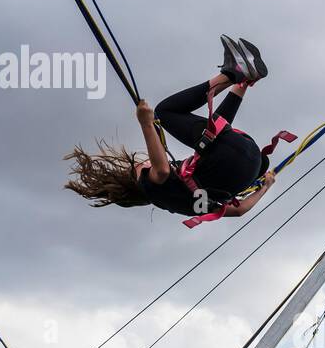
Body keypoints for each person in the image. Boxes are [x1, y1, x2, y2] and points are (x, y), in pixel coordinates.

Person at [66, 37, 293, 229]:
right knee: (164, 113)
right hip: (231, 156)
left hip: (248, 163)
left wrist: (266, 186)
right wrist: (145, 123)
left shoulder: (182, 204)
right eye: (141, 166)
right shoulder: (149, 185)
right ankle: (234, 73)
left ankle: (242, 79)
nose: (144, 163)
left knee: (209, 140)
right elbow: (162, 170)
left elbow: (241, 209)